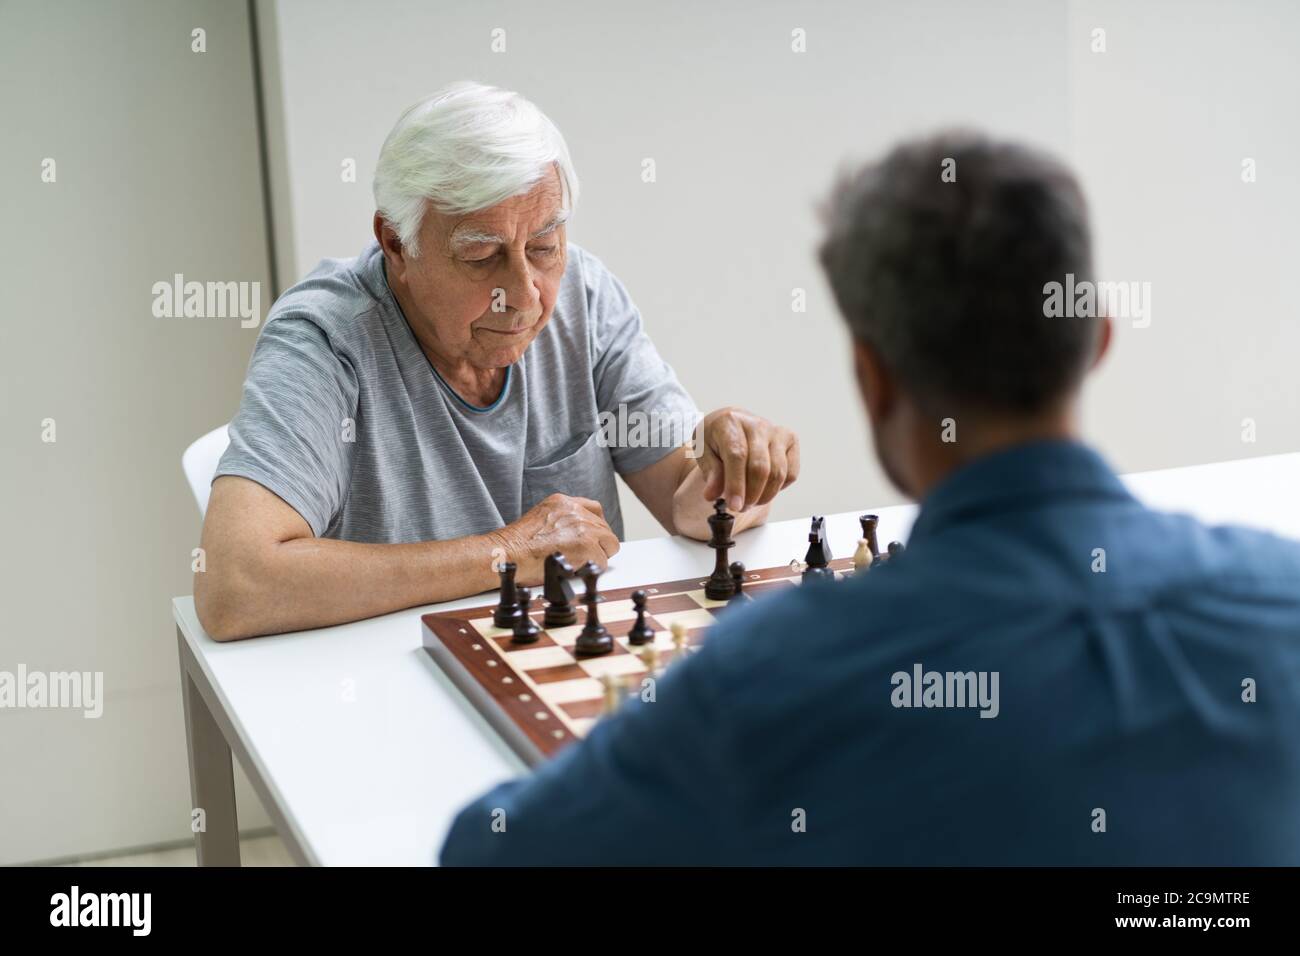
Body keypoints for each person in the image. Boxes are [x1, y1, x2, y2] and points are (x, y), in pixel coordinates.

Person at [440, 132, 1300, 866]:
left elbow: (489, 851)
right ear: (1096, 341)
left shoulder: (772, 673)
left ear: (871, 375)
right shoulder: (1282, 597)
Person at [194, 82, 799, 641]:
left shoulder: (585, 296)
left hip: (567, 666)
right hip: (394, 693)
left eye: (544, 248)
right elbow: (235, 585)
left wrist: (737, 468)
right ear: (397, 243)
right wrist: (506, 550)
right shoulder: (325, 338)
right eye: (482, 255)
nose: (526, 293)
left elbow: (687, 505)